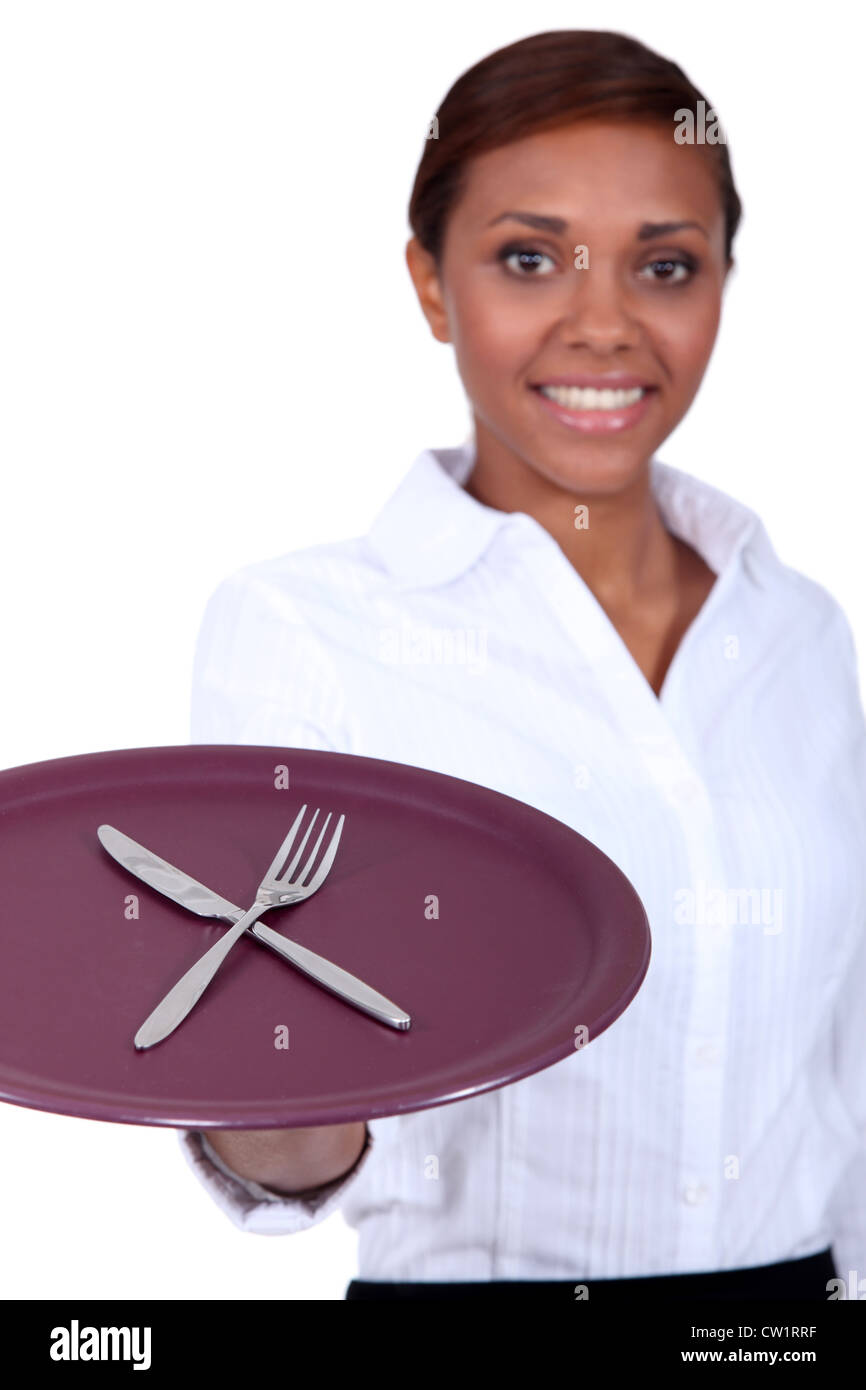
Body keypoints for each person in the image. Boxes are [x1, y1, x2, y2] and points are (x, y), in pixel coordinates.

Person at [176, 30, 866, 1300]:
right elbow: (270, 1128)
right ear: (431, 286)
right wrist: (277, 1109)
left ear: (719, 282)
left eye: (664, 264)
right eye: (528, 258)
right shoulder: (304, 628)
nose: (602, 325)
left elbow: (844, 1065)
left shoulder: (802, 633)